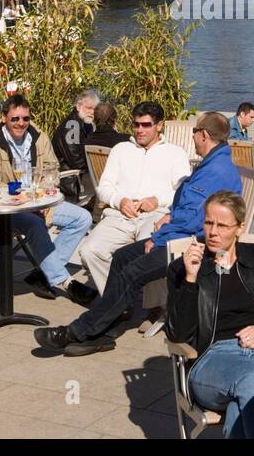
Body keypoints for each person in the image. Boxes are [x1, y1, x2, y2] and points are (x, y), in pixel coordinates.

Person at [33, 111, 240, 357]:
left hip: (192, 246)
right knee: (121, 256)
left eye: (195, 131)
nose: (193, 136)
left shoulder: (214, 171)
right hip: (181, 235)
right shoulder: (212, 164)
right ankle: (106, 330)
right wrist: (170, 216)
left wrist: (158, 237)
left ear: (204, 135)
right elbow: (188, 208)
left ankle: (78, 331)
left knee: (133, 272)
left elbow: (194, 222)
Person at [166, 190, 254, 439]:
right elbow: (178, 334)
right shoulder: (183, 268)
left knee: (244, 402)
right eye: (208, 222)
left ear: (239, 228)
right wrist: (190, 280)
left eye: (222, 225)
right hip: (212, 358)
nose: (213, 232)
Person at [0, 94, 95, 303]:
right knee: (34, 224)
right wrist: (23, 199)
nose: (21, 123)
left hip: (39, 201)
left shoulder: (39, 137)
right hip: (10, 209)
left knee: (82, 218)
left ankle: (42, 273)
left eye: (25, 118)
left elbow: (52, 168)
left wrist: (39, 197)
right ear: (4, 117)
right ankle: (63, 281)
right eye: (15, 119)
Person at [79, 101, 191, 292]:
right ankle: (116, 298)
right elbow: (104, 187)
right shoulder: (120, 149)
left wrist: (157, 200)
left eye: (146, 125)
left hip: (156, 216)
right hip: (119, 216)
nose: (140, 130)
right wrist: (119, 201)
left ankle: (155, 306)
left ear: (159, 125)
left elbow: (182, 193)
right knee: (90, 251)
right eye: (136, 124)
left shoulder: (175, 154)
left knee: (154, 250)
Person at [52, 89, 98, 204]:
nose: (92, 112)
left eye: (95, 109)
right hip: (68, 179)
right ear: (78, 106)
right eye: (89, 108)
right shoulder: (72, 125)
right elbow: (75, 160)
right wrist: (95, 165)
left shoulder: (82, 123)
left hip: (76, 175)